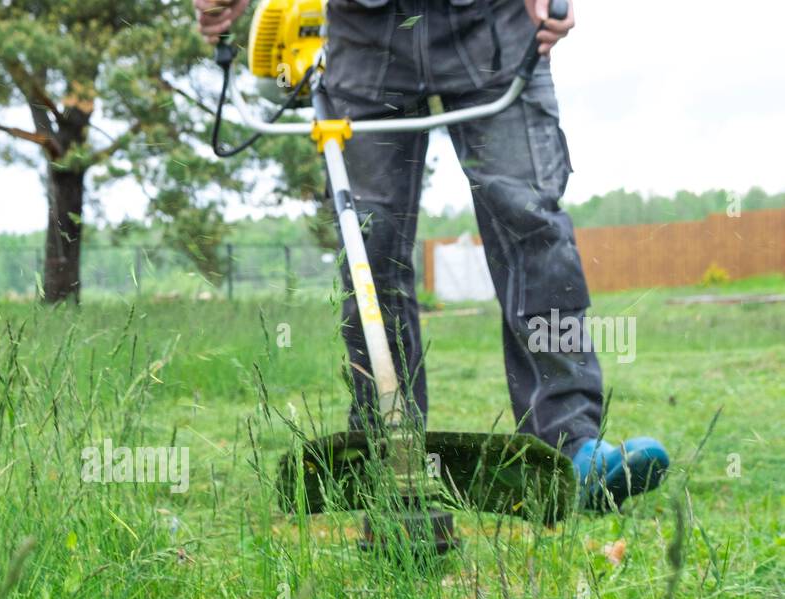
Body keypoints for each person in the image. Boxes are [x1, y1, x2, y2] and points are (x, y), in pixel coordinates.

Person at [194, 0, 668, 510]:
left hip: (493, 29)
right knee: (370, 248)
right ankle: (389, 451)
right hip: (366, 40)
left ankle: (571, 448)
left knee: (531, 224)